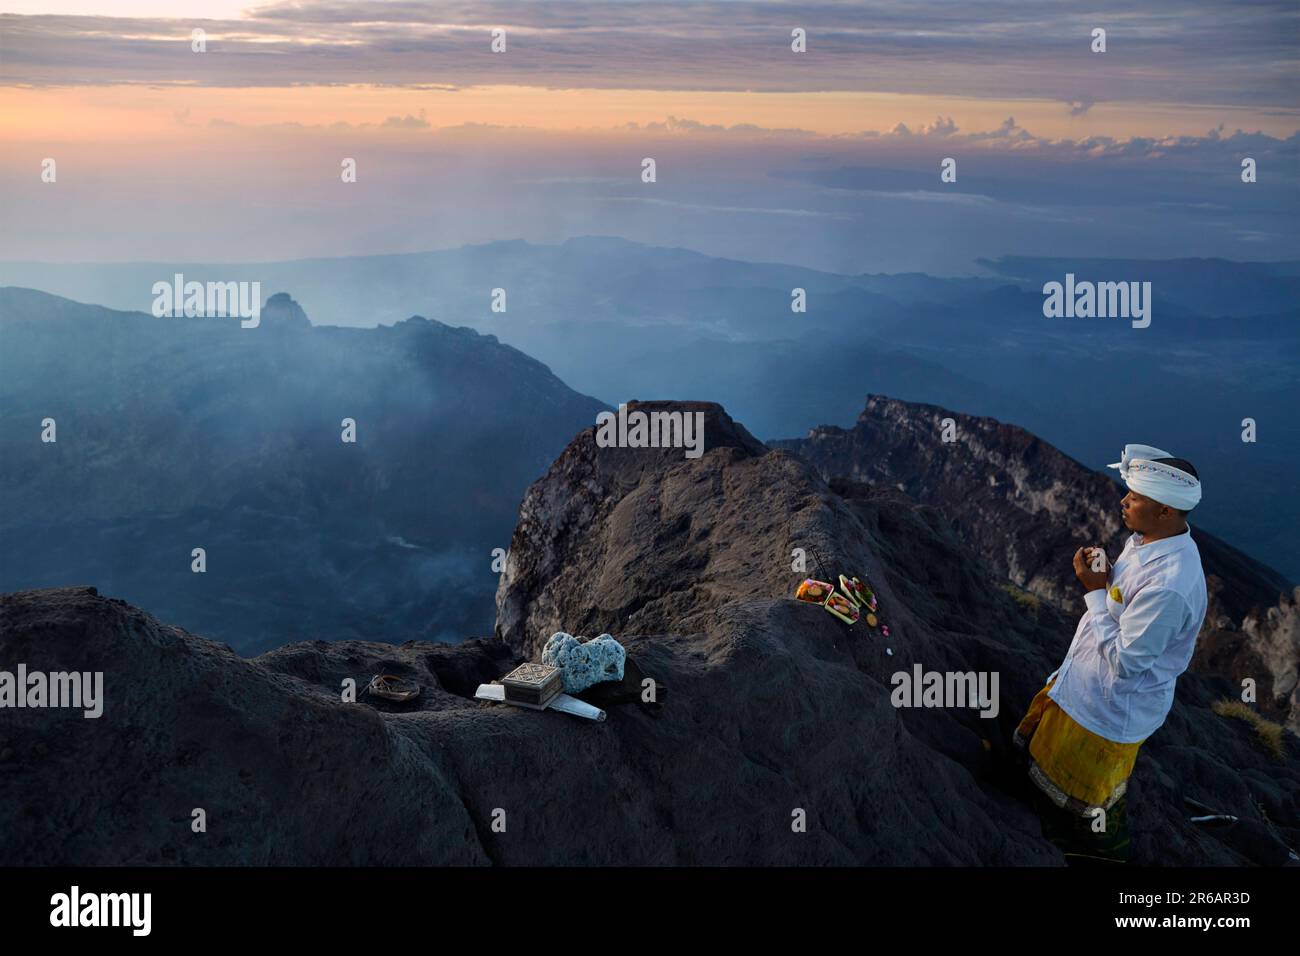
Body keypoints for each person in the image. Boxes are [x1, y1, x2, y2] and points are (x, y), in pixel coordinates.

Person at [1014, 444, 1208, 863]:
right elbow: (1125, 604)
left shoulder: (1169, 586)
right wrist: (1108, 577)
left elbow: (1124, 663)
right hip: (1083, 691)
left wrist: (1094, 591)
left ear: (1165, 512)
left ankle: (1093, 858)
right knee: (1048, 780)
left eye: (1135, 498)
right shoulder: (1149, 540)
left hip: (1104, 713)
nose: (1123, 501)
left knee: (1077, 809)